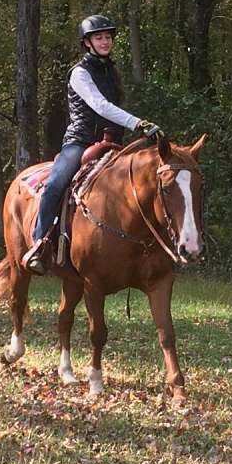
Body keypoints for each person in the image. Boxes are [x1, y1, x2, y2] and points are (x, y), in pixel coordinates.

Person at [22, 14, 162, 275]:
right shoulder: (79, 73)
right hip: (80, 141)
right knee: (54, 185)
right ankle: (39, 244)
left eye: (108, 37)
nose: (105, 41)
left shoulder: (111, 72)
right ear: (87, 42)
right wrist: (138, 123)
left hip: (112, 142)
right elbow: (100, 105)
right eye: (99, 37)